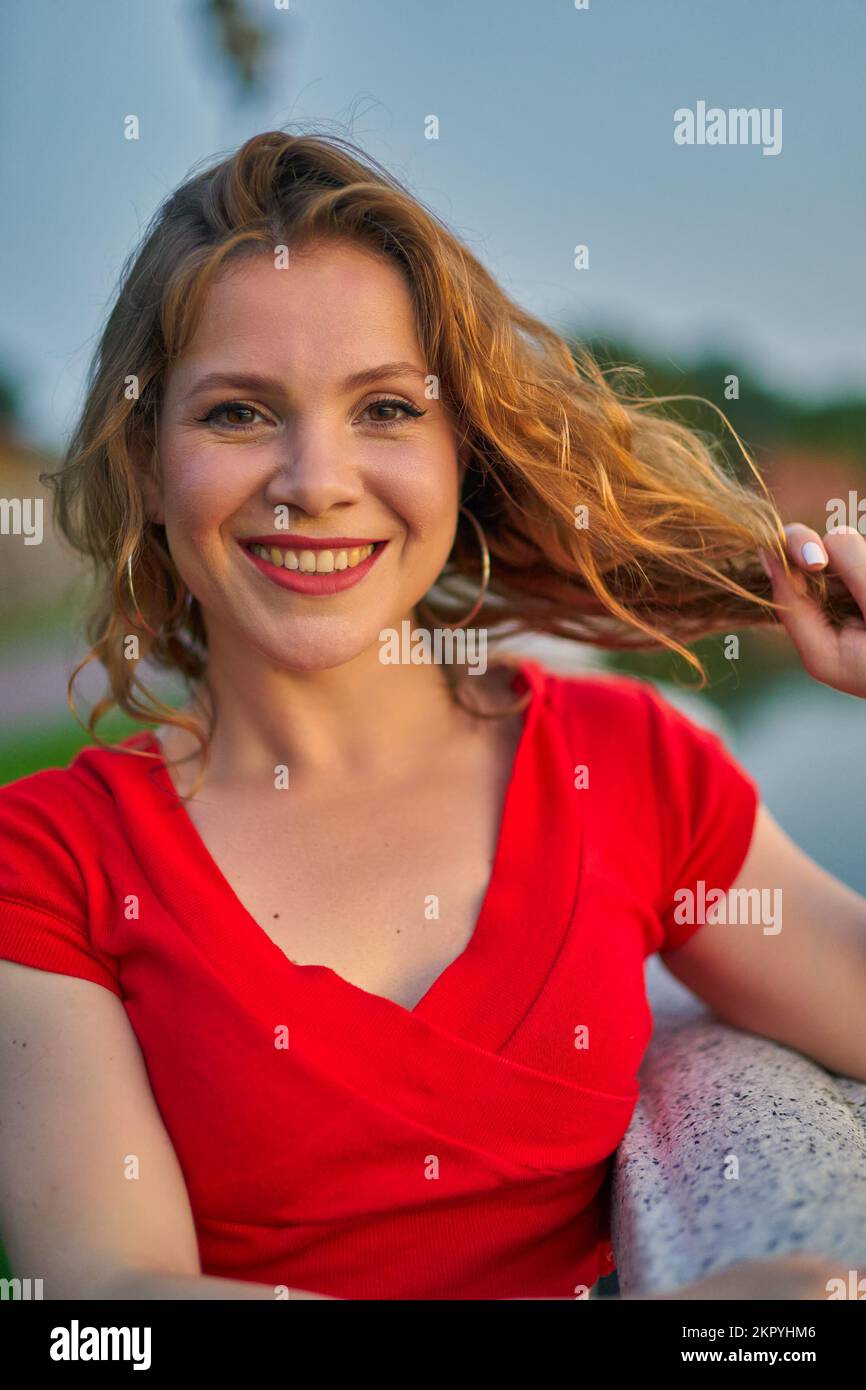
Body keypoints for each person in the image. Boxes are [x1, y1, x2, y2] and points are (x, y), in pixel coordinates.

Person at [1, 130, 864, 1302]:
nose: (315, 478)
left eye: (387, 409)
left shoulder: (623, 763)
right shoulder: (47, 860)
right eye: (239, 413)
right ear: (148, 465)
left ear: (465, 453)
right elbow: (105, 1304)